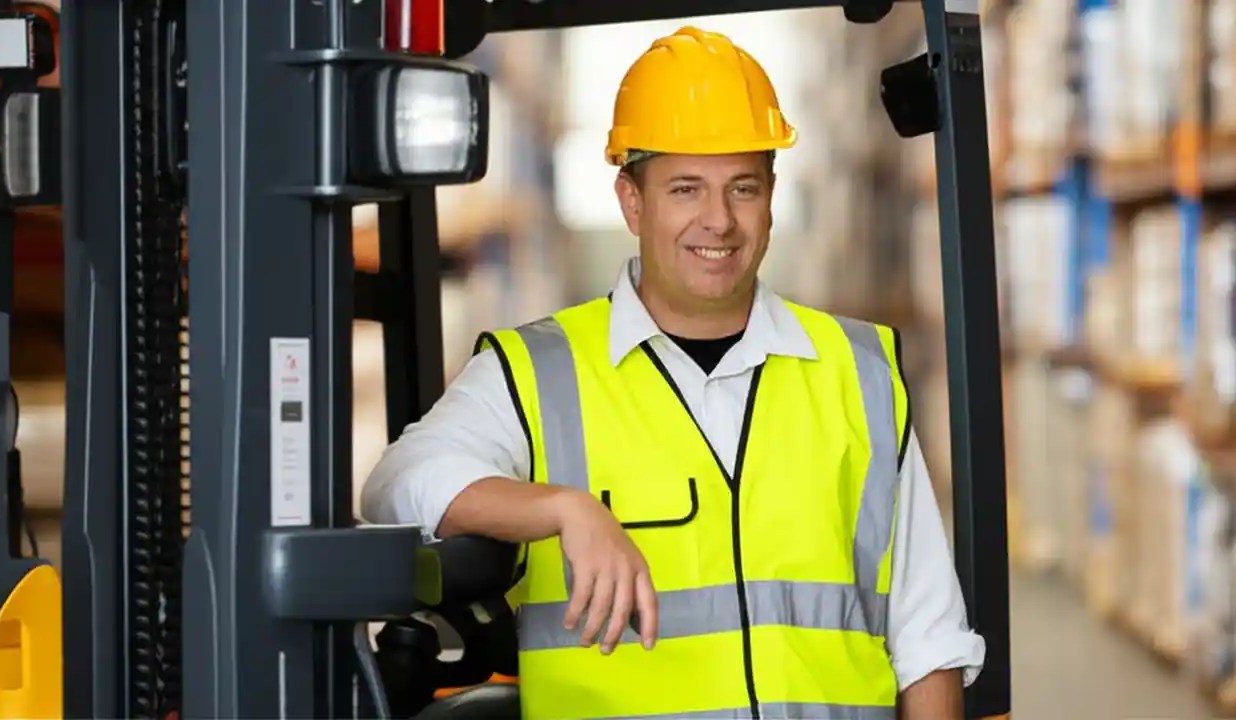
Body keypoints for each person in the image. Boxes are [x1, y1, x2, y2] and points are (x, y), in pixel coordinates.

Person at [362, 25, 985, 720]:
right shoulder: (537, 372)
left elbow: (927, 637)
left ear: (772, 197)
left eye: (742, 187)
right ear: (632, 201)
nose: (718, 220)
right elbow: (398, 485)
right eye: (685, 189)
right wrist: (563, 508)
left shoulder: (856, 371)